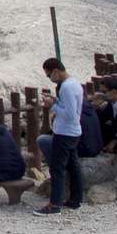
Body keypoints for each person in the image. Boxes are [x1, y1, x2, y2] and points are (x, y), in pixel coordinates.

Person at [34, 58, 86, 215]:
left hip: (64, 132)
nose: (50, 79)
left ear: (56, 71)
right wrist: (57, 102)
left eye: (49, 75)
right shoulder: (74, 83)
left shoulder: (67, 88)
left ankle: (54, 204)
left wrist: (53, 105)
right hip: (72, 132)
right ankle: (75, 200)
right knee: (73, 167)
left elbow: (70, 114)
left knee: (57, 168)